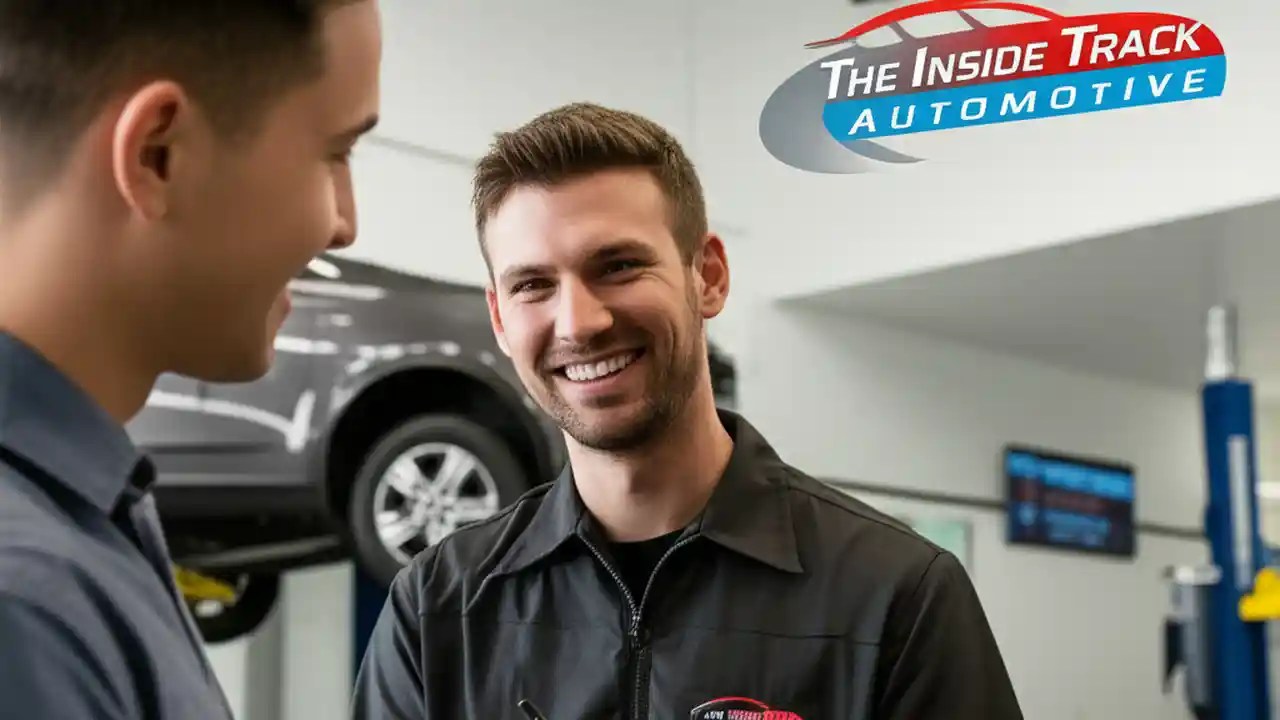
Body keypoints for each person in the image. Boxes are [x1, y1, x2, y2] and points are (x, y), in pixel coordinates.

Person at [352, 102, 1023, 720]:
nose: (579, 323)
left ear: (709, 276)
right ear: (499, 317)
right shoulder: (438, 610)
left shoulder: (894, 597)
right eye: (534, 285)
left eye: (617, 266)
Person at [0, 2, 381, 718]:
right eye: (335, 152)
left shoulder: (84, 521)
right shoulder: (27, 609)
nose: (345, 223)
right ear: (157, 155)